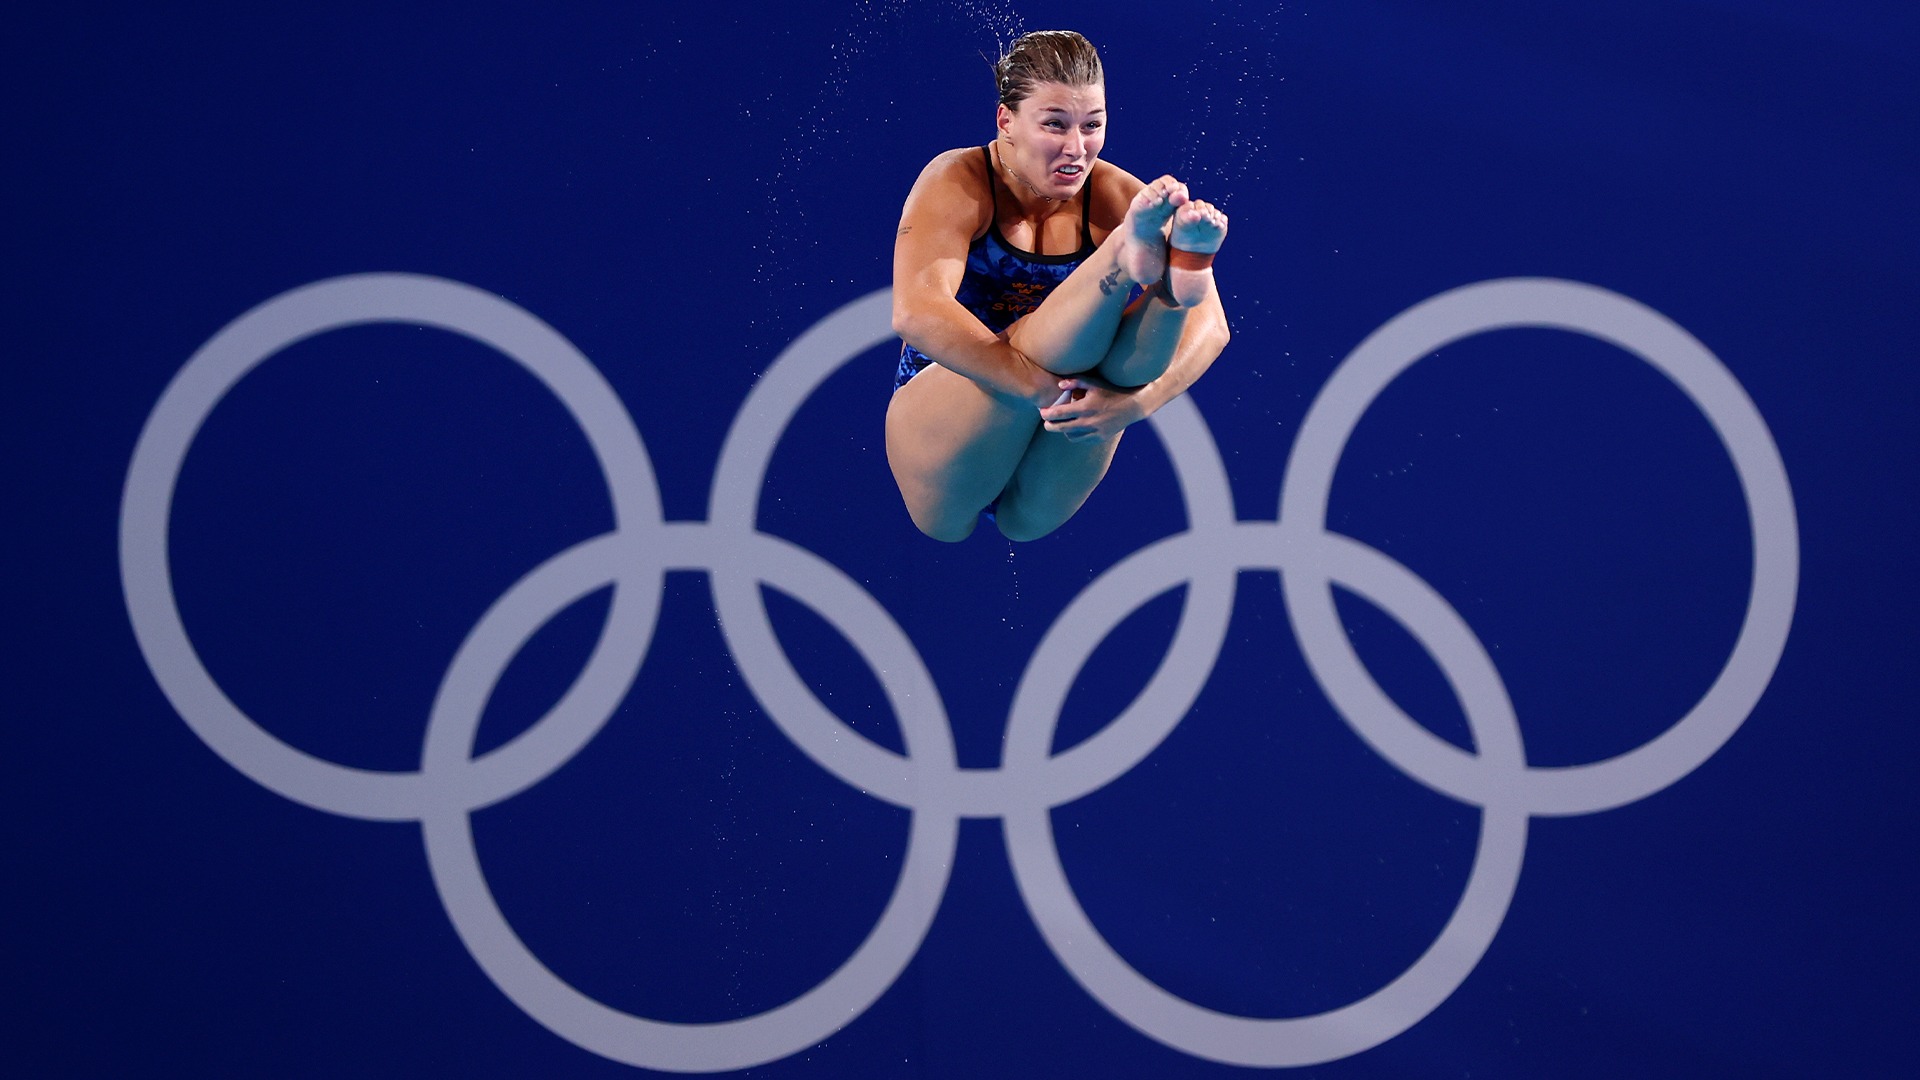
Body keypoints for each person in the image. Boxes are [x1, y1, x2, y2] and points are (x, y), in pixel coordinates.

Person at [887, 29, 1230, 542]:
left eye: (1093, 125)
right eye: (1055, 124)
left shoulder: (1114, 194)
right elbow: (915, 312)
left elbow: (1215, 328)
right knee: (947, 523)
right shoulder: (960, 180)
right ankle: (1126, 259)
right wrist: (1036, 386)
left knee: (1029, 519)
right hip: (948, 413)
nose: (1077, 148)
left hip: (1062, 415)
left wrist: (1134, 405)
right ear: (1006, 120)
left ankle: (1167, 294)